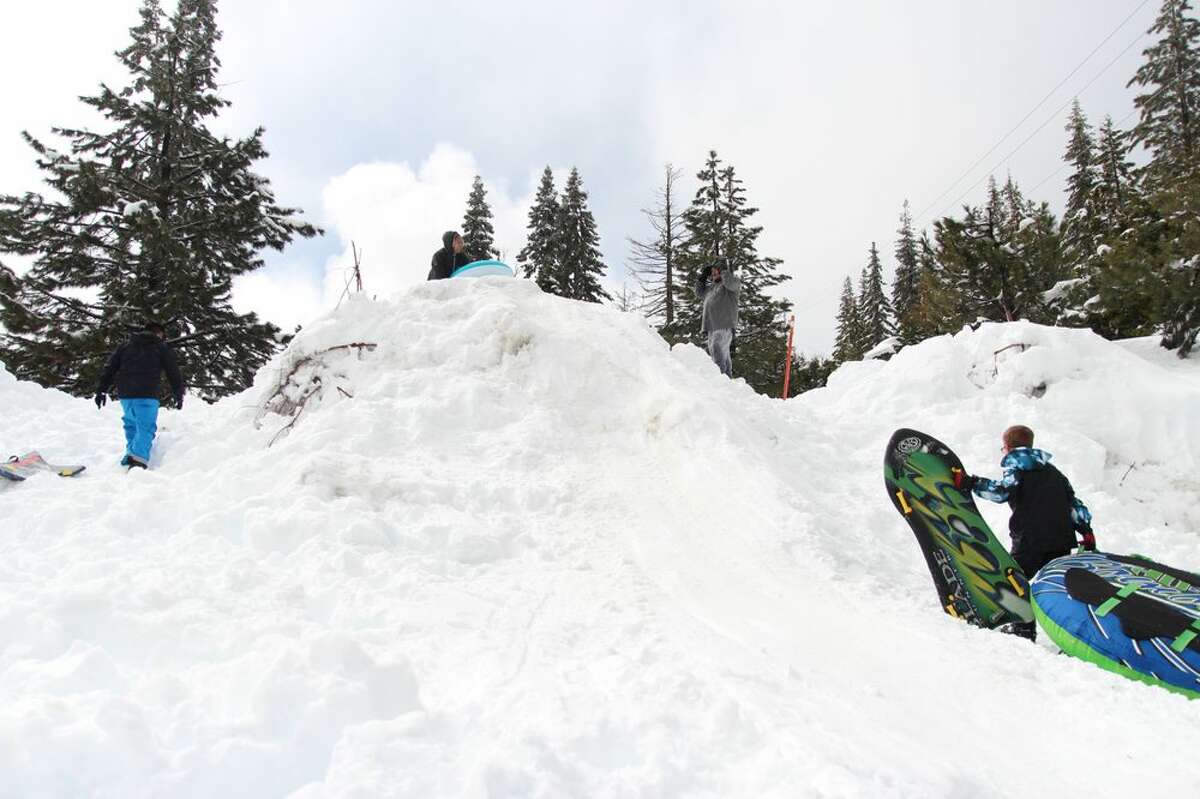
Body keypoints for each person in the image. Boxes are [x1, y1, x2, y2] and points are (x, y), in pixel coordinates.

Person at [955, 424, 1095, 640]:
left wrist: (971, 483)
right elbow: (1073, 504)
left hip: (1031, 540)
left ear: (1008, 447)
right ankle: (1076, 636)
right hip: (1061, 539)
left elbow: (1002, 492)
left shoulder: (1016, 467)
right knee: (1059, 588)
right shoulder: (1053, 472)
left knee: (1013, 581)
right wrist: (1086, 531)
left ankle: (1023, 628)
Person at [94, 322, 185, 469]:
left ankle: (131, 454)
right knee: (145, 427)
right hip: (146, 393)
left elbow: (110, 368)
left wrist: (101, 390)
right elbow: (172, 371)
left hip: (125, 394)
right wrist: (178, 392)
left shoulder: (125, 346)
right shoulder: (160, 347)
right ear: (159, 334)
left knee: (132, 425)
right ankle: (138, 460)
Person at [694, 262, 741, 377]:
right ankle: (727, 380)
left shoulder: (730, 284)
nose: (713, 273)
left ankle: (720, 379)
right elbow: (699, 293)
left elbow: (732, 284)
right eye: (712, 272)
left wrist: (723, 270)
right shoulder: (711, 288)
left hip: (724, 324)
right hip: (711, 326)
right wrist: (702, 278)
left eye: (716, 271)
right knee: (722, 355)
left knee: (717, 352)